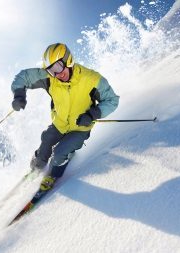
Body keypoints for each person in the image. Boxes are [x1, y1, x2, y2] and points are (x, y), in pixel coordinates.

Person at [11, 43, 119, 191]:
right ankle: (37, 167)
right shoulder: (50, 77)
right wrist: (19, 95)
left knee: (59, 153)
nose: (57, 74)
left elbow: (112, 100)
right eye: (51, 70)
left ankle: (52, 175)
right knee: (46, 142)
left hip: (80, 127)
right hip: (59, 124)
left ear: (68, 60)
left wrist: (93, 114)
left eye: (58, 67)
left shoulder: (91, 79)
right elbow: (23, 76)